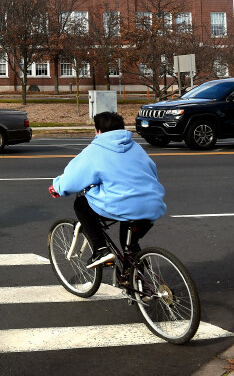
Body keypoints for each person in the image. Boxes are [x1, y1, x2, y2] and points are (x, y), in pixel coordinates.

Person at [50, 111, 166, 268]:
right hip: (152, 203)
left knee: (81, 205)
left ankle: (101, 250)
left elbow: (72, 179)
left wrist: (57, 187)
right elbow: (152, 170)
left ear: (98, 131)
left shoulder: (94, 150)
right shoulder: (136, 147)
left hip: (123, 204)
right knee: (129, 247)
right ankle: (136, 282)